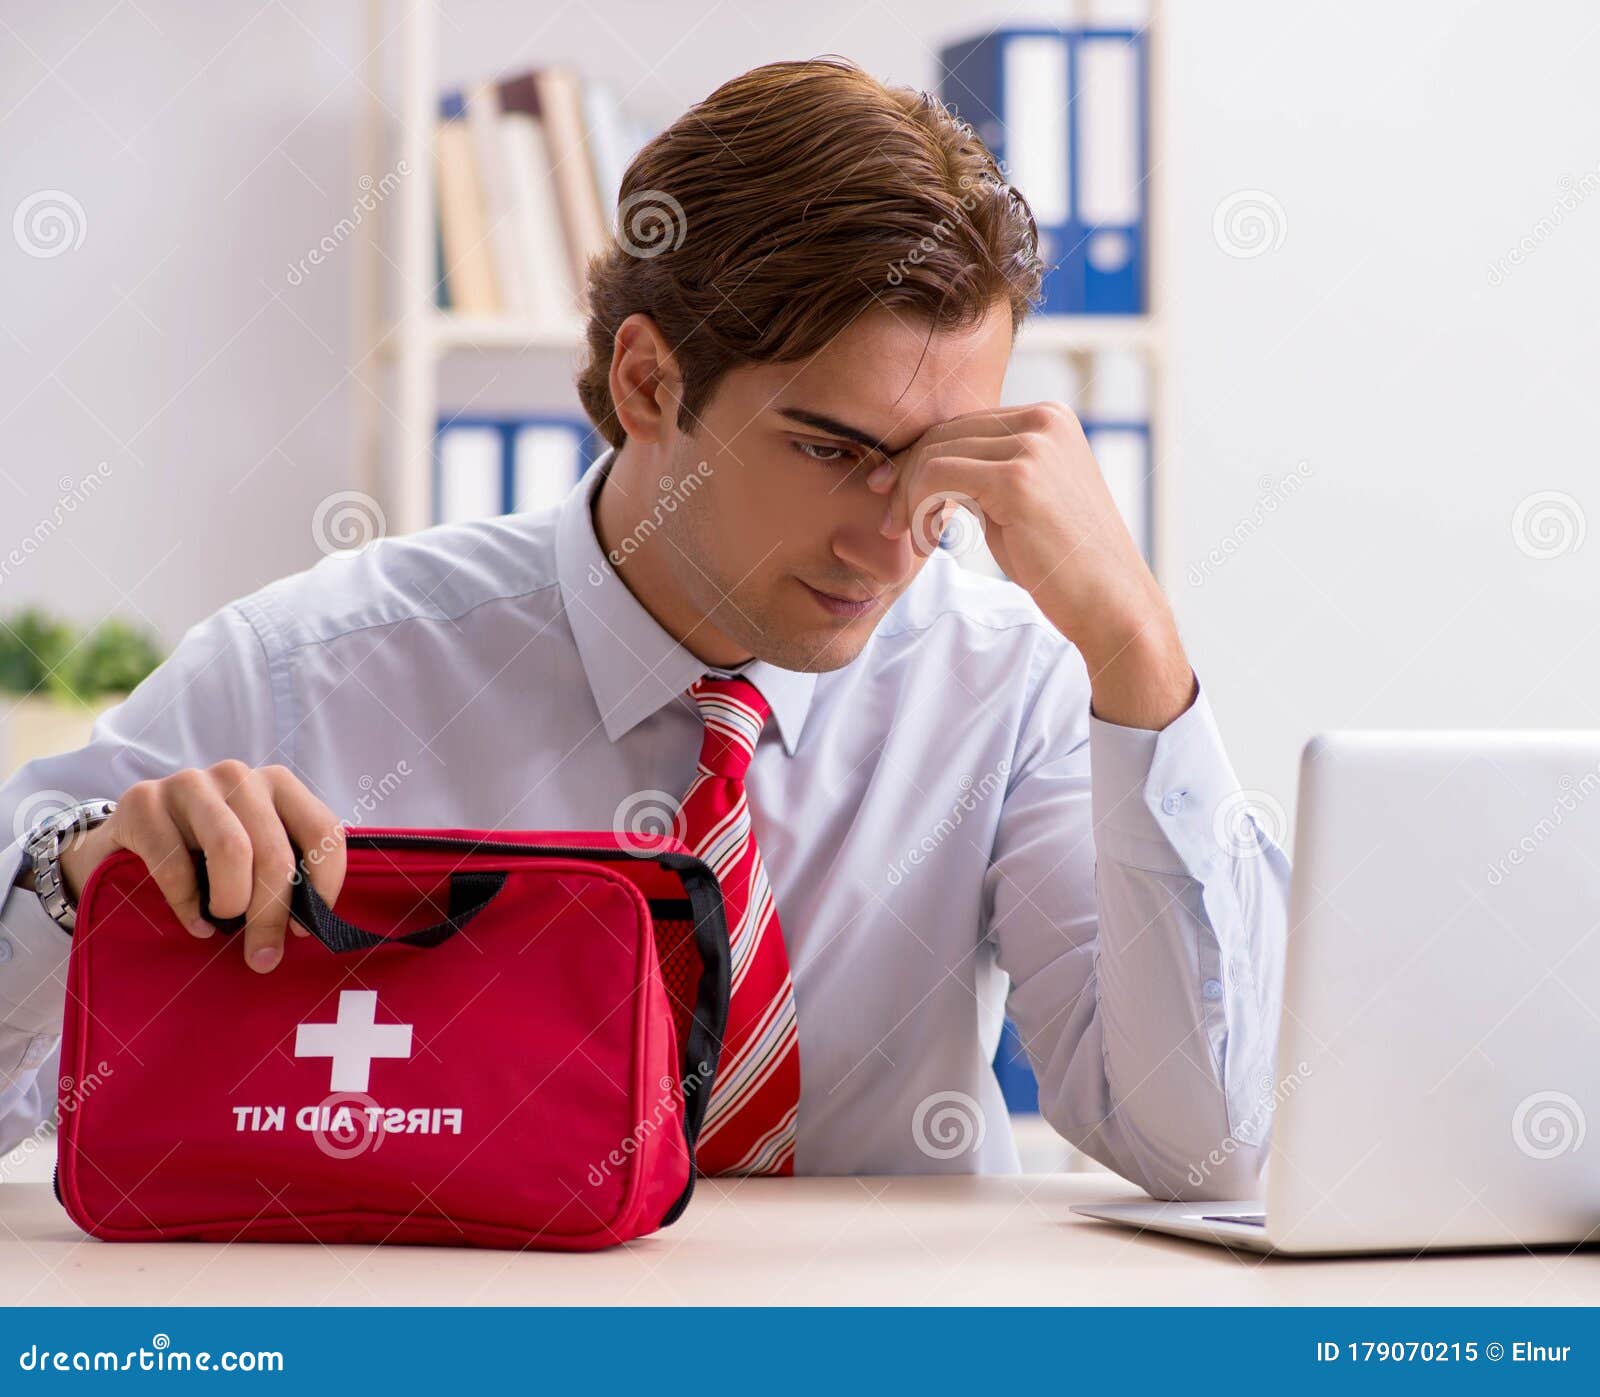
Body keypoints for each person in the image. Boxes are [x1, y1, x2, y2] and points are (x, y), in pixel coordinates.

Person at [0, 58, 1287, 1193]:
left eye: (944, 466)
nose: (896, 538)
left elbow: (1200, 1145)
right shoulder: (308, 670)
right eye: (835, 449)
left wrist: (1137, 649)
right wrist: (77, 881)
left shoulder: (1013, 684)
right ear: (649, 381)